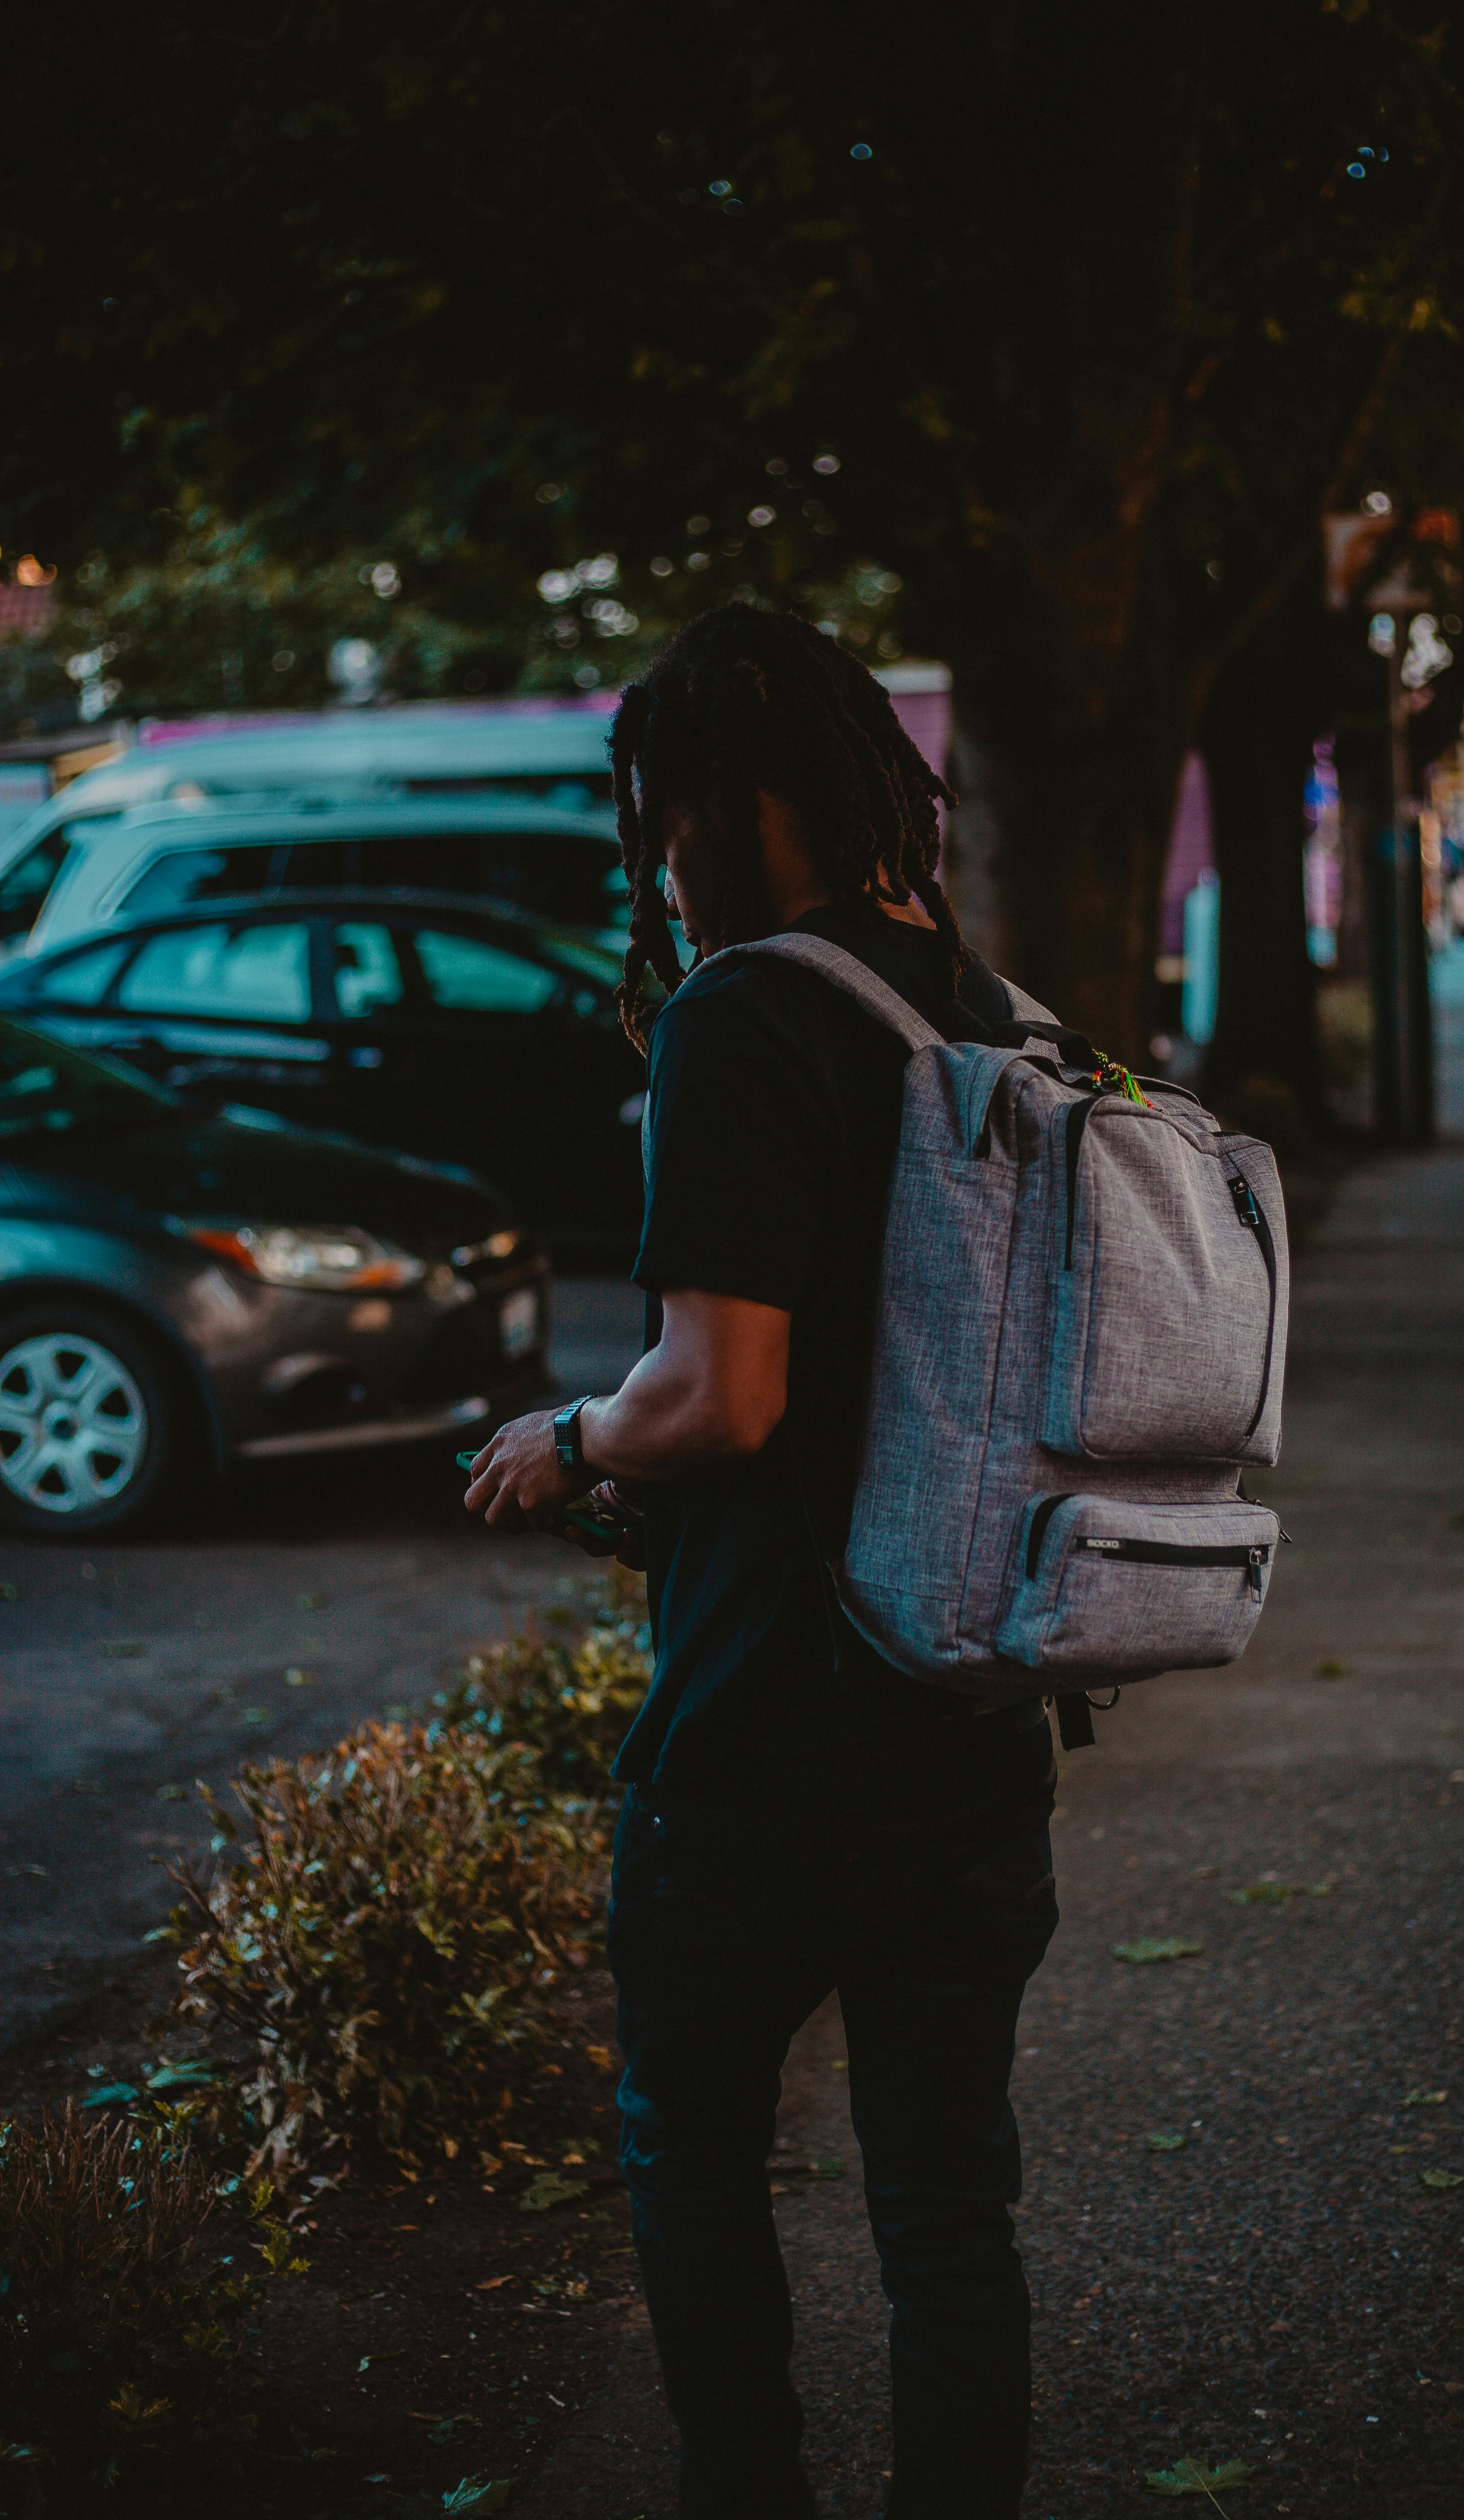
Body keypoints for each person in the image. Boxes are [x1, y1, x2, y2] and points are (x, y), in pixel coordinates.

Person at [465, 605, 1058, 2520]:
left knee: (692, 2153)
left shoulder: (746, 1012)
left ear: (725, 802)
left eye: (661, 817)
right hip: (974, 1711)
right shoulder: (986, 1012)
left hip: (768, 1735)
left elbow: (721, 1396)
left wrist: (564, 1441)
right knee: (950, 2212)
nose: (656, 863)